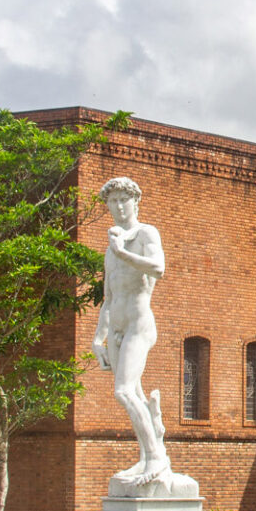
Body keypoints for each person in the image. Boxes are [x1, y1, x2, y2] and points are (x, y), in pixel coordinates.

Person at [92, 177, 169, 483]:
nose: (119, 206)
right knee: (134, 393)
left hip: (139, 324)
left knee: (123, 391)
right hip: (117, 329)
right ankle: (146, 456)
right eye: (113, 201)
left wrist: (124, 252)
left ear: (136, 202)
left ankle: (156, 458)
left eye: (124, 199)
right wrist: (98, 338)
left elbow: (158, 267)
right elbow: (108, 298)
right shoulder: (110, 250)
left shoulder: (145, 233)